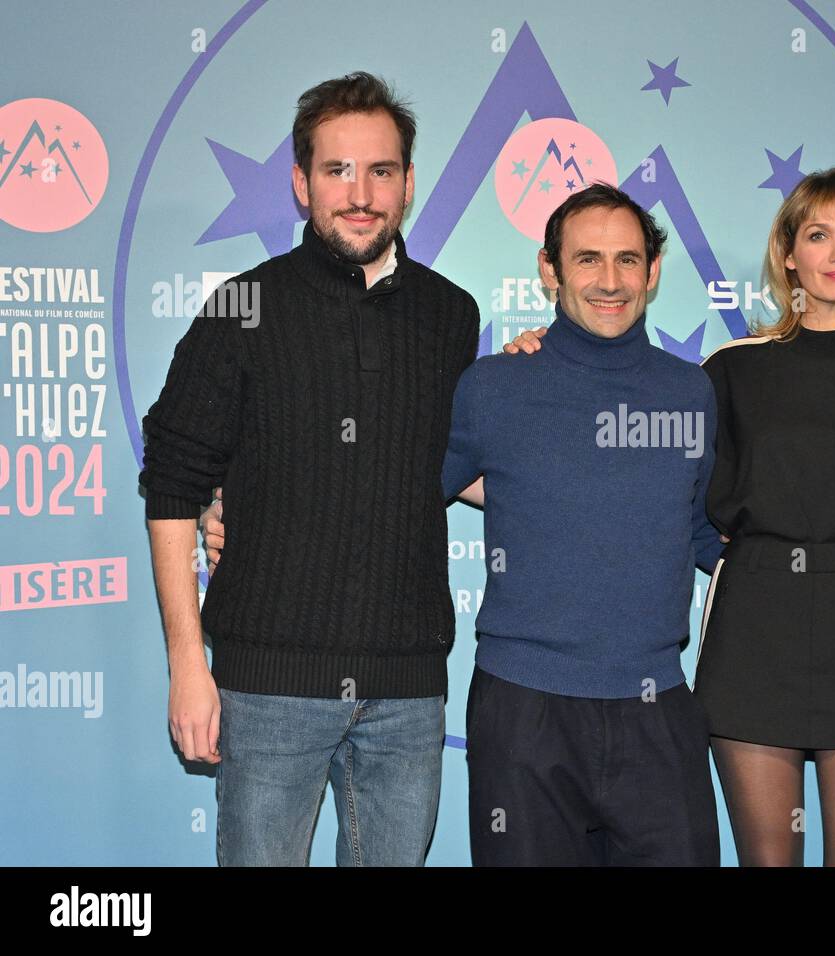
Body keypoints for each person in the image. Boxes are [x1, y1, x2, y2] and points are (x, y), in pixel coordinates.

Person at [506, 168, 835, 867]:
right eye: (818, 235)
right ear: (788, 254)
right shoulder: (728, 370)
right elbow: (654, 481)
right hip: (753, 640)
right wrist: (547, 358)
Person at [140, 72, 480, 866]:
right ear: (300, 183)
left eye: (381, 171)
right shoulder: (240, 309)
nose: (360, 194)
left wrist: (549, 376)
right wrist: (189, 665)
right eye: (337, 171)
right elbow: (173, 486)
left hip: (407, 692)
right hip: (267, 689)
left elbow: (459, 460)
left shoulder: (450, 314)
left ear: (408, 184)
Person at [443, 183, 724, 866]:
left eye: (628, 260)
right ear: (550, 269)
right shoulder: (492, 386)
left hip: (658, 704)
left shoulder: (690, 391)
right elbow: (394, 501)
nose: (610, 281)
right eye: (588, 259)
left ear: (653, 273)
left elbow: (706, 534)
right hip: (523, 711)